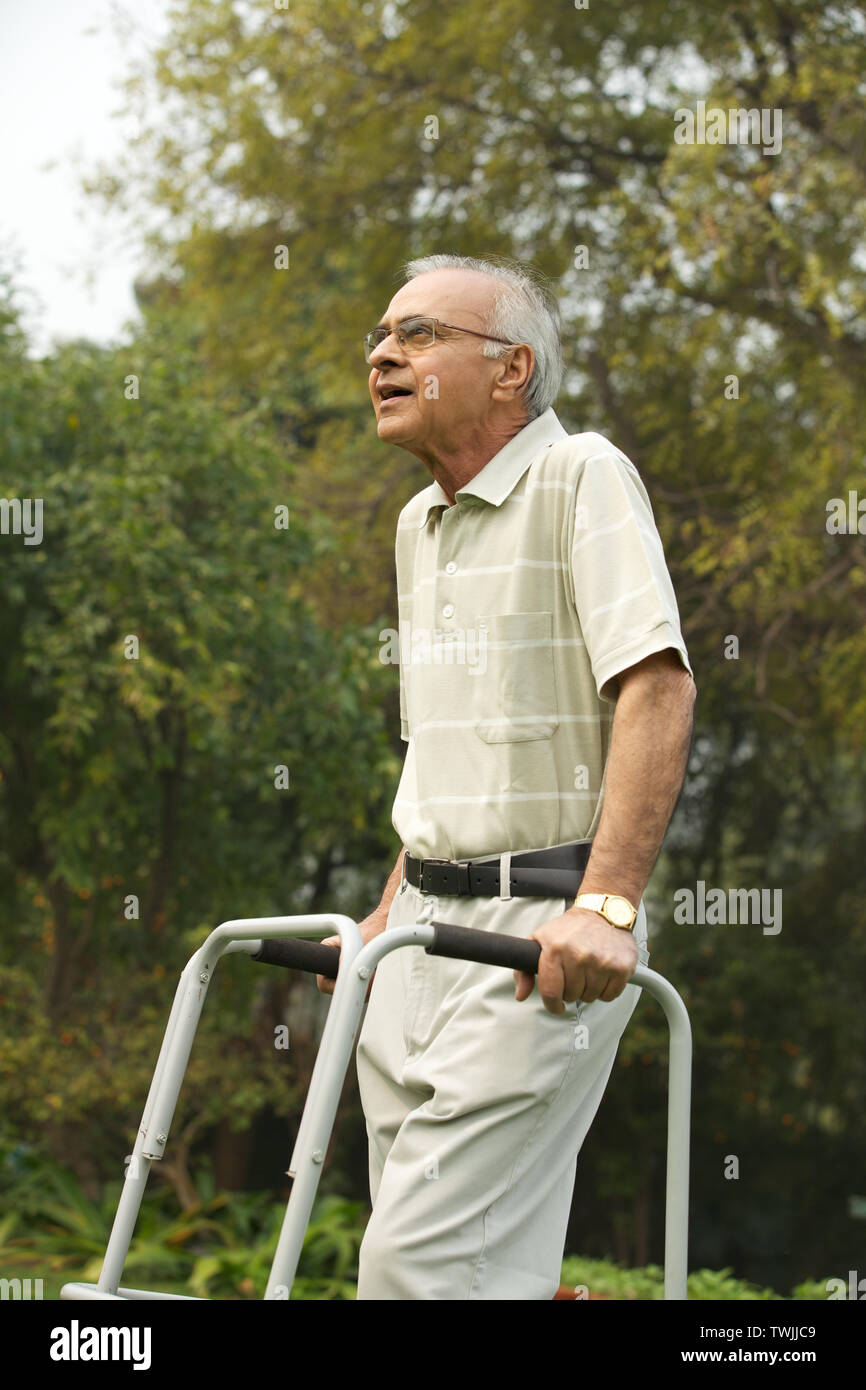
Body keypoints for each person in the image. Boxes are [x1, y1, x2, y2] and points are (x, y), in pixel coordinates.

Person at [318, 253, 696, 1299]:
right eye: (378, 339)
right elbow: (444, 758)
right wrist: (377, 926)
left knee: (413, 1267)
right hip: (414, 948)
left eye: (418, 334)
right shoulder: (417, 525)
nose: (382, 355)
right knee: (474, 1273)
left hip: (539, 941)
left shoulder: (582, 475)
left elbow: (656, 688)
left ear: (510, 367)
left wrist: (607, 907)